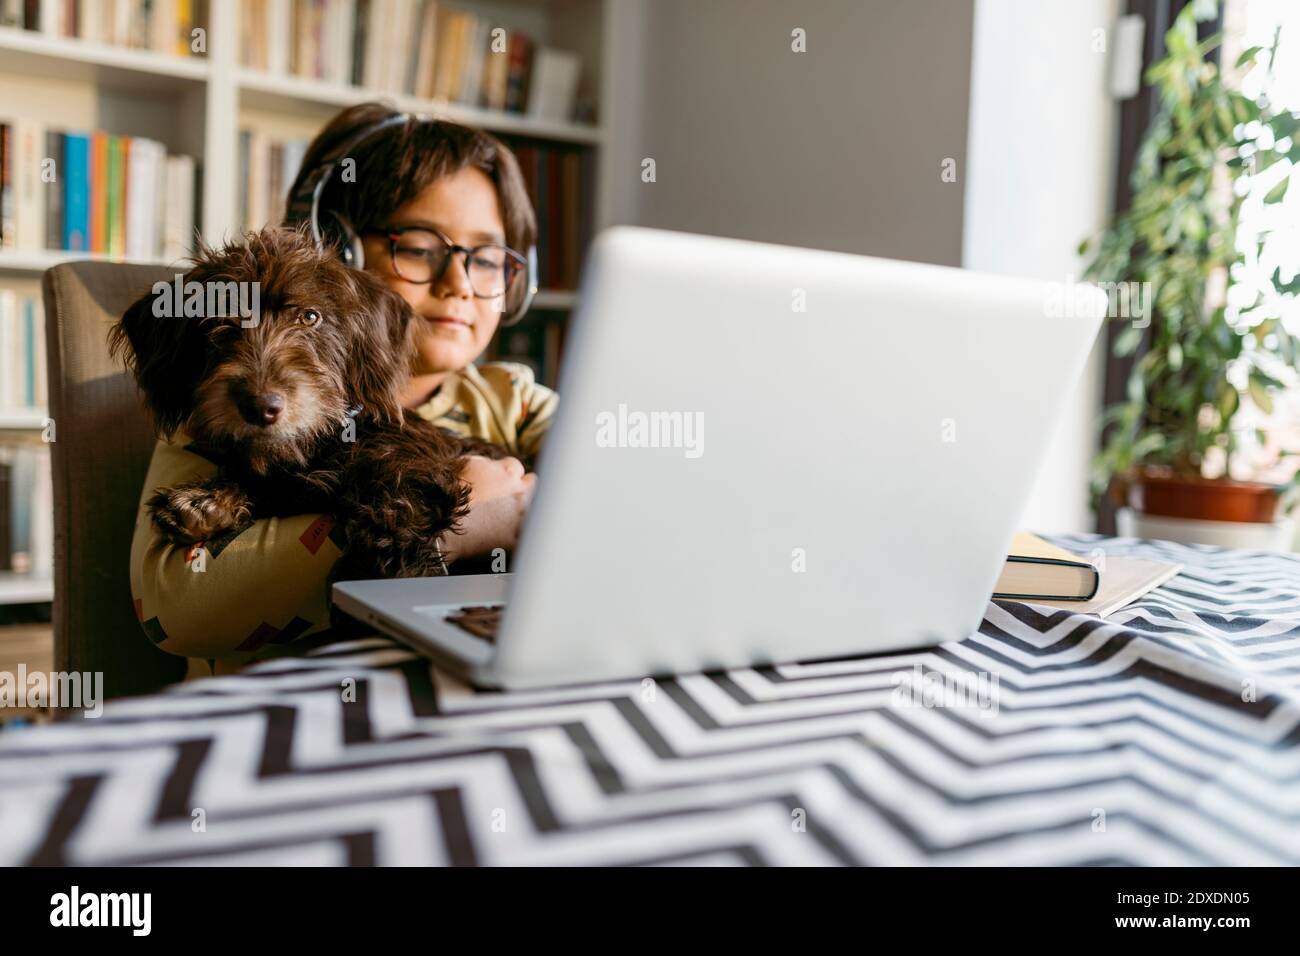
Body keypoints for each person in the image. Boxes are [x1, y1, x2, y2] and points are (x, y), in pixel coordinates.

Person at [125, 103, 555, 678]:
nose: (458, 284)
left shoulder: (512, 398)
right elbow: (177, 613)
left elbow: (625, 491)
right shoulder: (220, 416)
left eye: (487, 259)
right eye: (422, 247)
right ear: (336, 252)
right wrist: (455, 522)